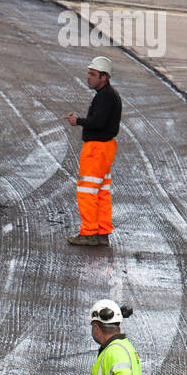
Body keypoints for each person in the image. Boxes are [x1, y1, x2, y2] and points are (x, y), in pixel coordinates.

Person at [64, 54, 121, 247]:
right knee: (102, 191)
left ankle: (88, 232)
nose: (88, 77)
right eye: (88, 73)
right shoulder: (109, 95)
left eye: (92, 74)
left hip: (96, 148)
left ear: (103, 77)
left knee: (87, 191)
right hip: (106, 147)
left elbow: (98, 122)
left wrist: (77, 121)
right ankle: (102, 232)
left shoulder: (105, 97)